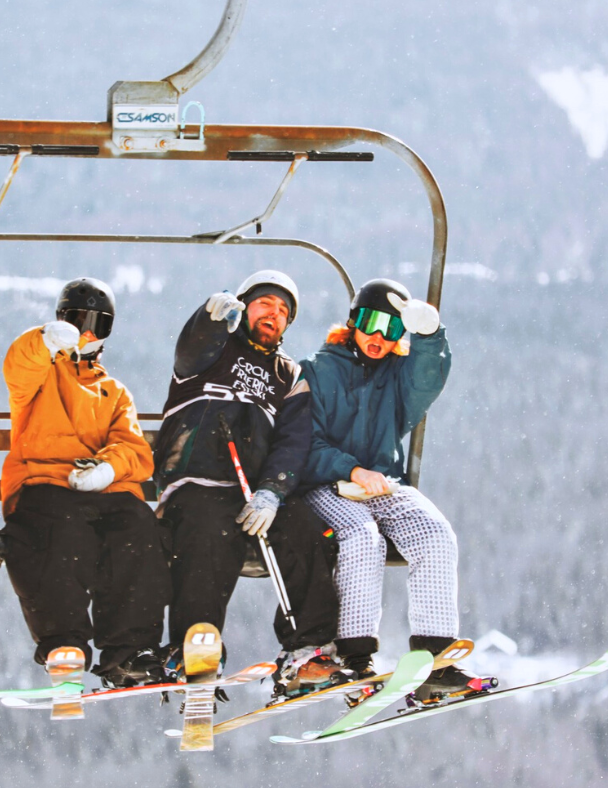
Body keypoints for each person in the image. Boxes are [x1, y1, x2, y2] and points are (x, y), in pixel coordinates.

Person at [154, 270, 343, 697]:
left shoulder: (289, 375)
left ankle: (308, 648)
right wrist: (211, 317)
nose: (273, 315)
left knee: (308, 532)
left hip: (256, 493)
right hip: (197, 480)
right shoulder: (213, 350)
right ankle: (195, 650)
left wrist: (274, 491)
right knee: (208, 536)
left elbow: (294, 442)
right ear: (245, 306)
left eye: (282, 311)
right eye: (265, 304)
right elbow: (191, 347)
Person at [300, 277, 490, 700]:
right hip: (326, 485)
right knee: (363, 539)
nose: (379, 338)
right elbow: (302, 444)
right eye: (371, 323)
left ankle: (435, 656)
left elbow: (428, 377)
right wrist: (350, 469)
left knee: (435, 536)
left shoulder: (397, 377)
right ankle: (355, 656)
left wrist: (429, 335)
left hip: (384, 483)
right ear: (353, 322)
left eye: (392, 329)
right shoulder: (317, 371)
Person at [0, 277, 171, 688]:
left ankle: (129, 651)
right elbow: (18, 368)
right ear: (62, 321)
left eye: (99, 324)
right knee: (58, 530)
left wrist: (108, 470)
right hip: (45, 482)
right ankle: (65, 643)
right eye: (78, 321)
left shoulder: (113, 392)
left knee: (139, 528)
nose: (88, 332)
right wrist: (43, 341)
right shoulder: (42, 376)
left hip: (103, 492)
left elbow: (132, 446)